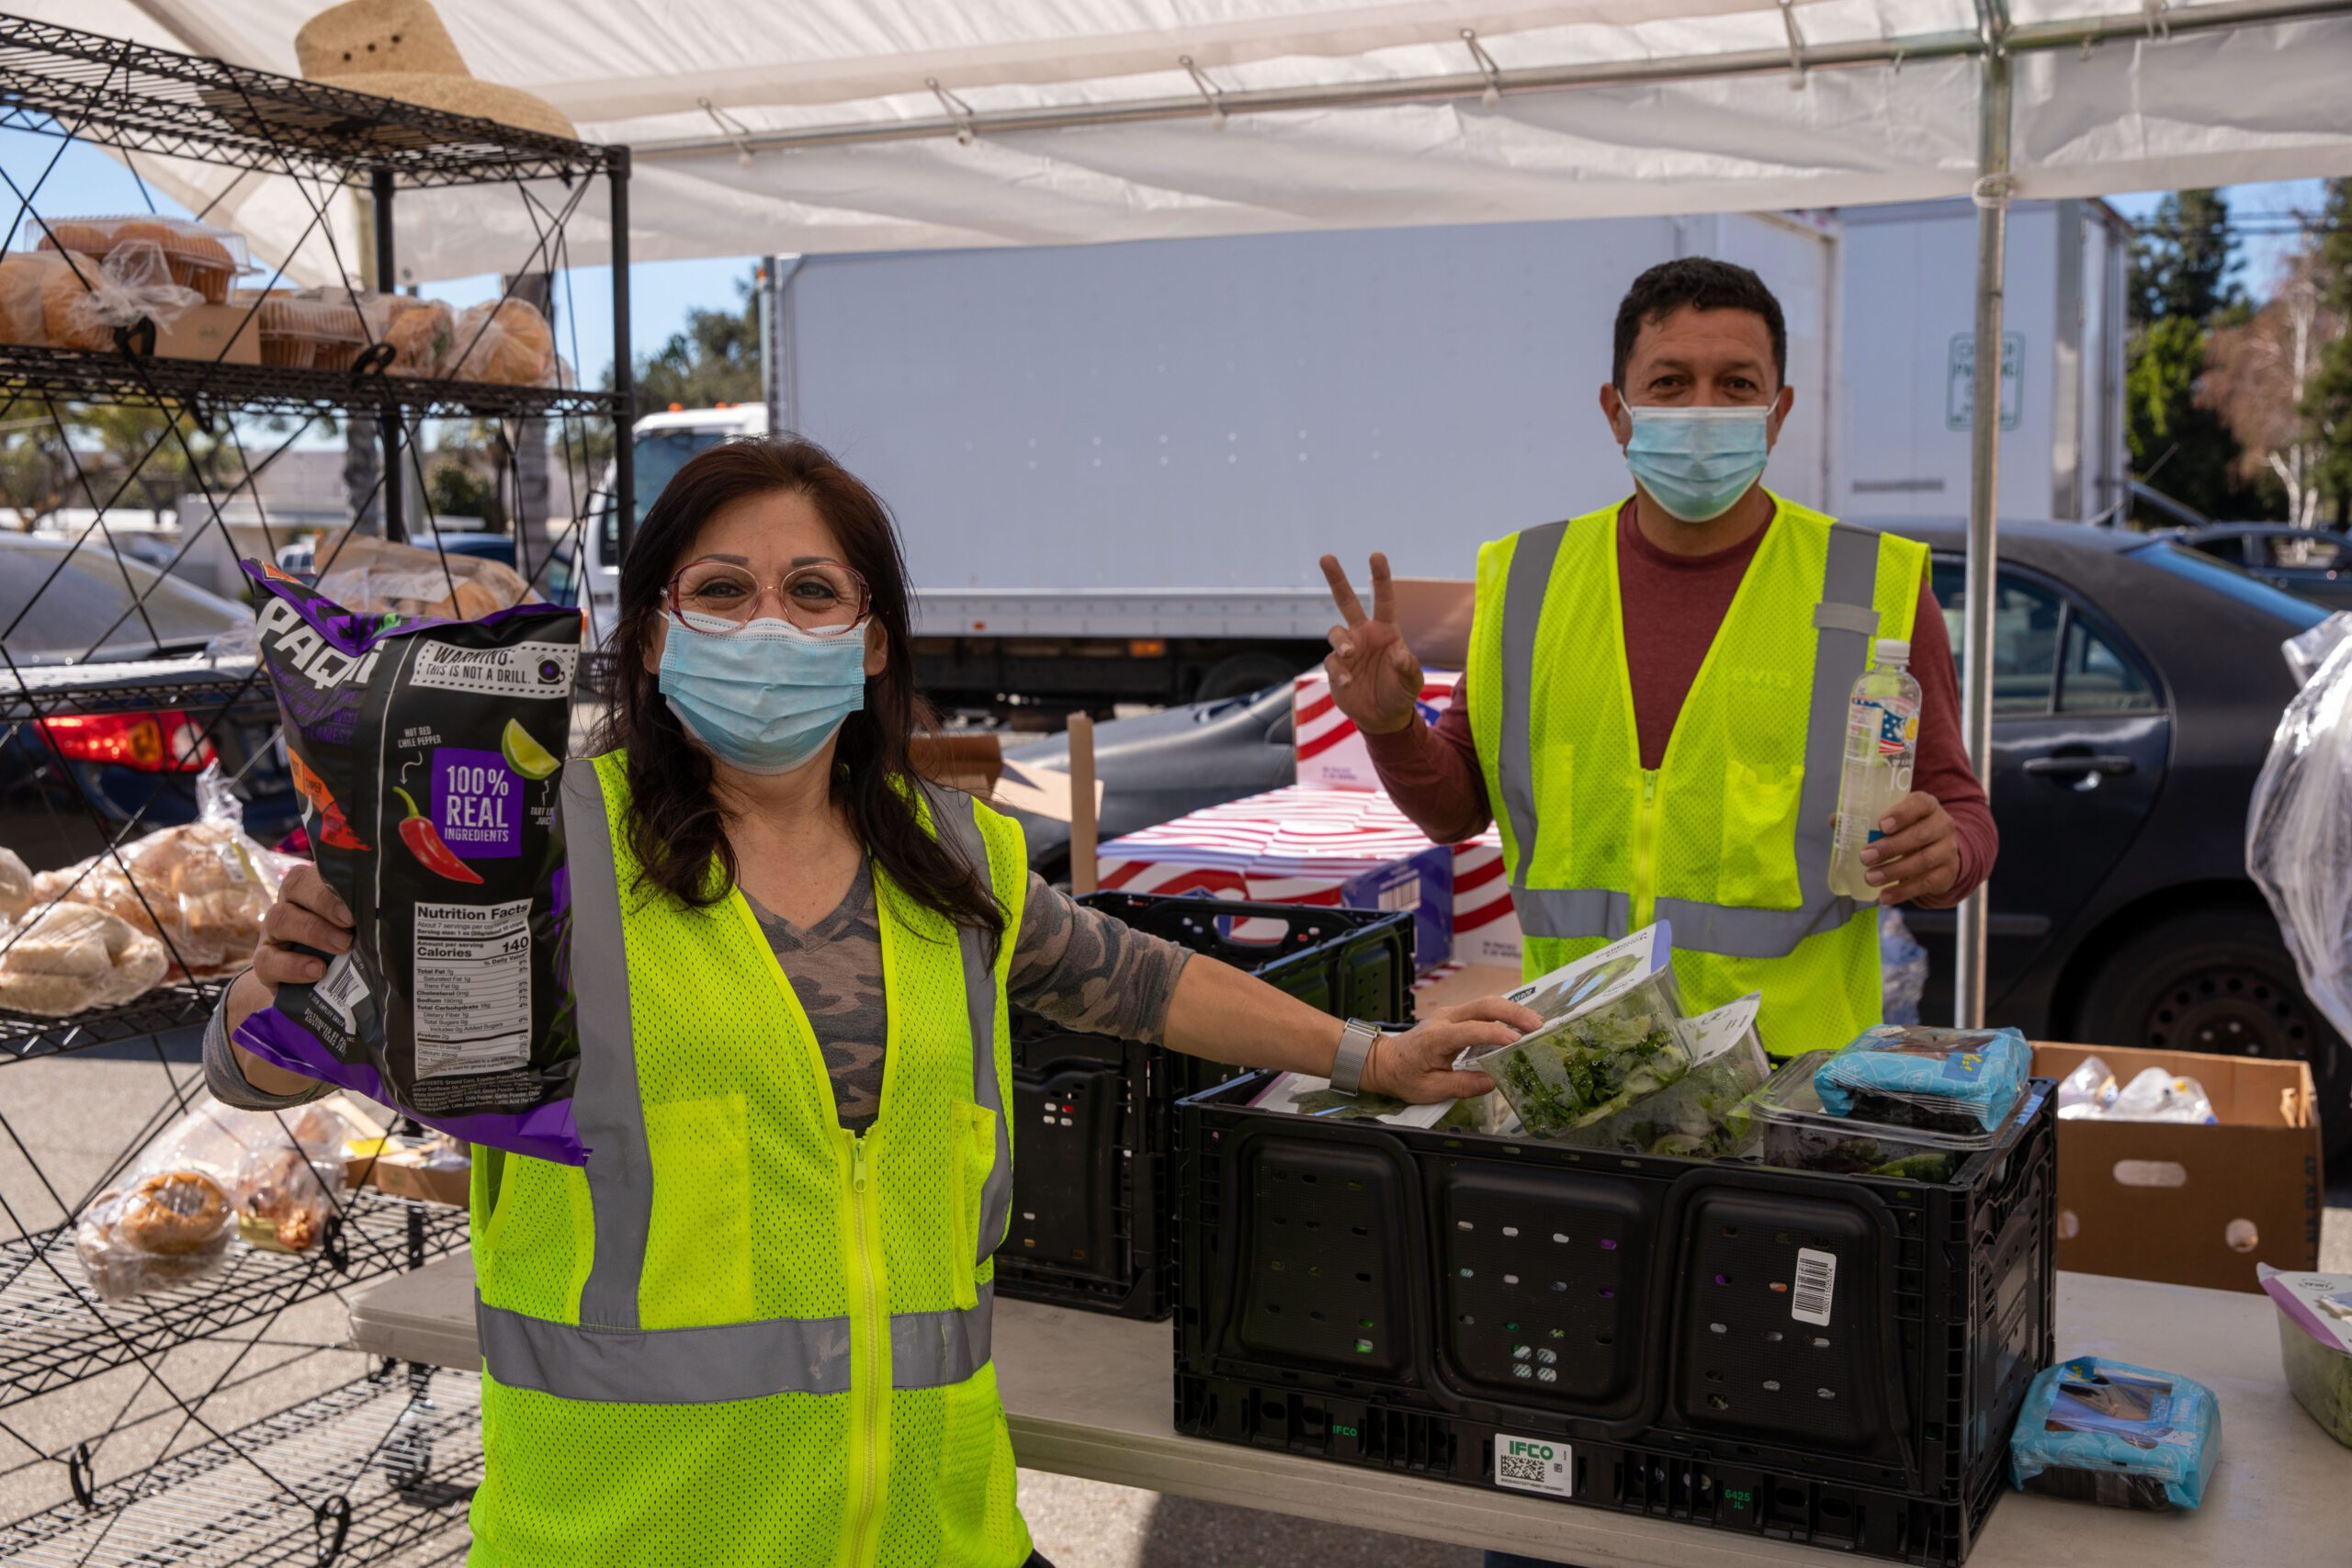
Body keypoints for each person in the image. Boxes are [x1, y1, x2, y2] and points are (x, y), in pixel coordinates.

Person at [206, 437, 1540, 1568]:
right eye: (721, 591)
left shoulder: (948, 853)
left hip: (932, 1524)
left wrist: (1373, 1050)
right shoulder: (536, 851)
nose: (767, 623)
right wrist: (274, 991)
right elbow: (267, 1063)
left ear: (871, 636)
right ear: (660, 634)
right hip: (634, 1532)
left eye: (810, 590)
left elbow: (1139, 977)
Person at [1319, 256, 1997, 1062]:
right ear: (1617, 410)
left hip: (1789, 1086)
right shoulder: (1530, 580)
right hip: (1575, 1071)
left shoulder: (1872, 583)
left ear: (1778, 413)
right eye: (1671, 383)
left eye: (1738, 385)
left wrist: (1944, 851)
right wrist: (1394, 728)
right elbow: (1459, 806)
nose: (1704, 409)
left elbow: (1963, 813)